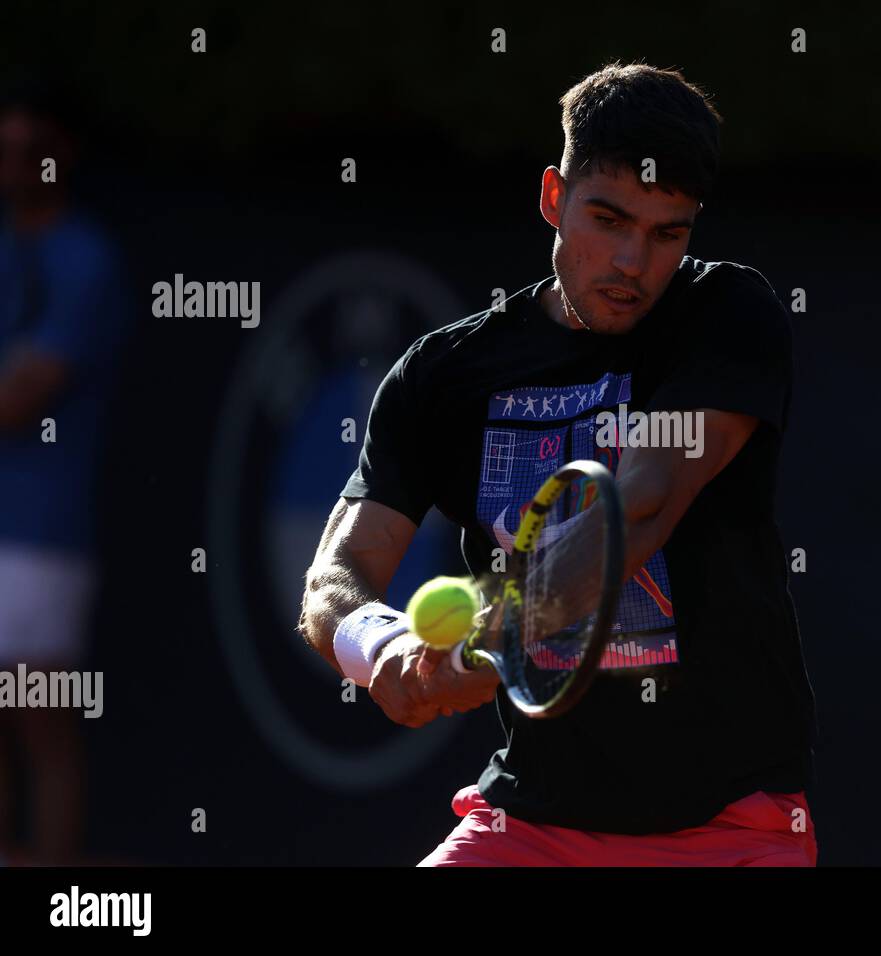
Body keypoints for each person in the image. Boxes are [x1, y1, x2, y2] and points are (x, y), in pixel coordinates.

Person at [298, 61, 818, 866]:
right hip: (529, 824)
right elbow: (340, 569)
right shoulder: (443, 374)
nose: (633, 264)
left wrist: (490, 634)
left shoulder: (726, 315)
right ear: (553, 198)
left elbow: (637, 505)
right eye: (608, 219)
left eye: (666, 233)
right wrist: (383, 647)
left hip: (729, 828)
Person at [0, 81, 130, 865]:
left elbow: (21, 398)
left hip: (43, 541)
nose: (15, 169)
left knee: (40, 725)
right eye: (2, 154)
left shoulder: (87, 261)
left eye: (30, 153)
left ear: (62, 157)